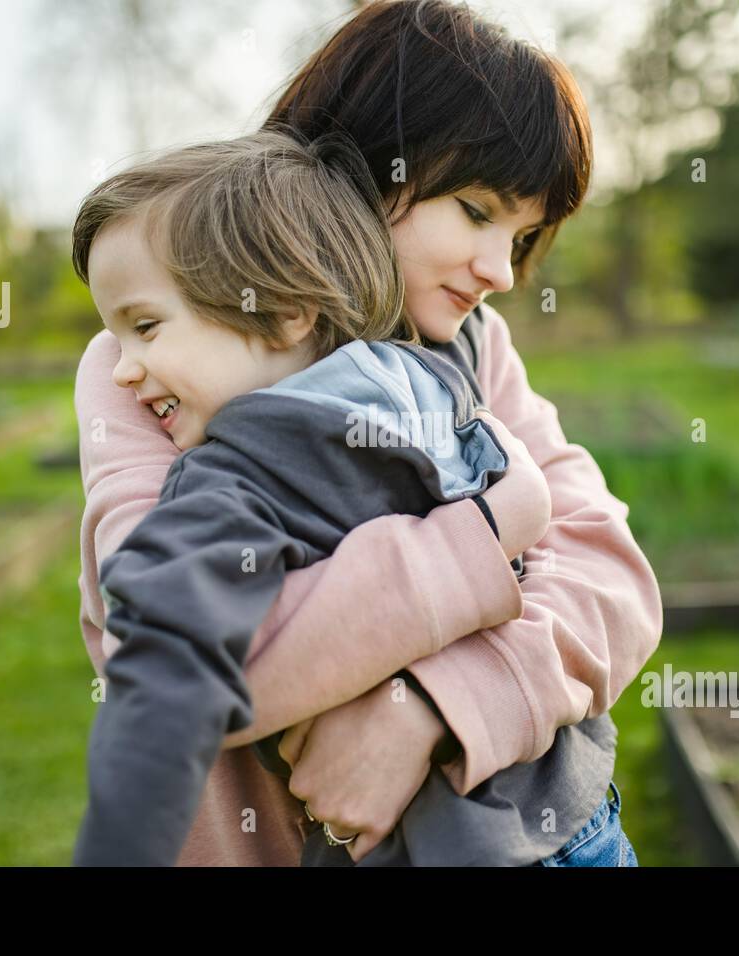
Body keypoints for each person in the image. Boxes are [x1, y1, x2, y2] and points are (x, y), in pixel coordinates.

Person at [74, 0, 662, 866]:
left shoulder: (469, 350)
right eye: (474, 209)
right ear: (359, 161)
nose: (502, 272)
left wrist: (431, 706)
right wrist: (478, 546)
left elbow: (610, 577)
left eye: (525, 234)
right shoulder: (157, 362)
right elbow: (174, 658)